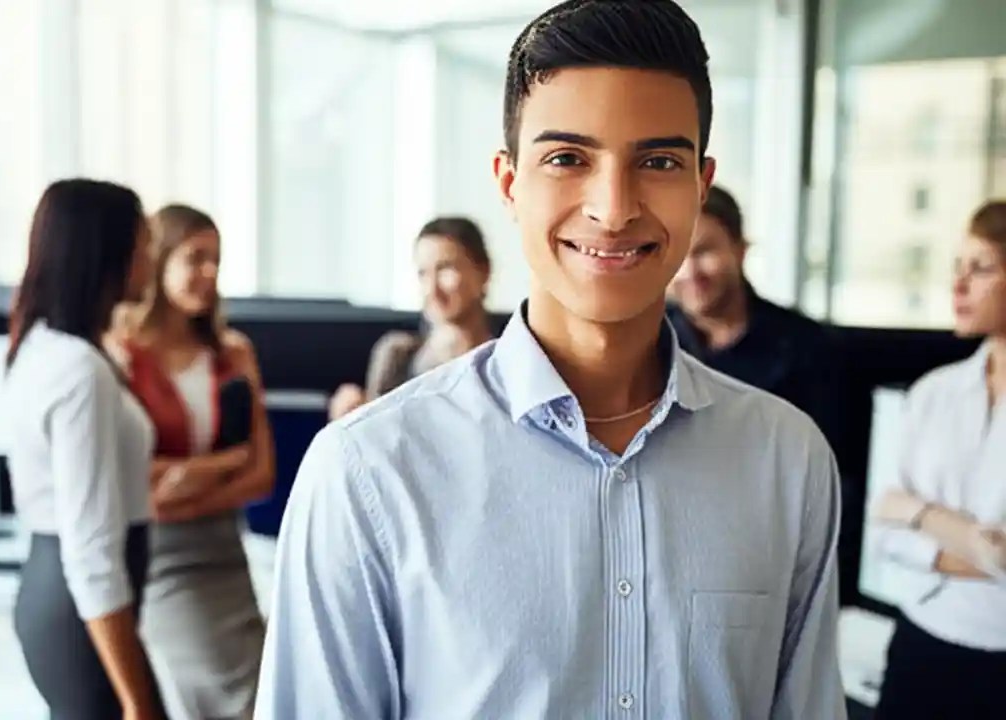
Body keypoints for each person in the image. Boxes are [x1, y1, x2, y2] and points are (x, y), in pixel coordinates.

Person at [255, 1, 847, 718]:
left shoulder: (786, 458)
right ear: (509, 183)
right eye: (568, 158)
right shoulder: (370, 470)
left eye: (658, 162)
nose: (614, 207)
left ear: (700, 184)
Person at [4, 179, 165, 720]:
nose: (151, 259)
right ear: (107, 252)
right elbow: (92, 550)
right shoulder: (78, 370)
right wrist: (136, 698)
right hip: (82, 610)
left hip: (71, 604)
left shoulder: (48, 346)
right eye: (143, 245)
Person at [108, 204, 272, 720]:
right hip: (163, 564)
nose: (209, 274)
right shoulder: (121, 354)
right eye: (195, 258)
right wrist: (221, 464)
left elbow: (261, 471)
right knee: (208, 698)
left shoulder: (233, 353)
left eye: (216, 261)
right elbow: (127, 476)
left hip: (227, 552)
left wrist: (186, 484)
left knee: (262, 697)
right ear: (158, 261)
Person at [665, 186, 860, 603]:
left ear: (740, 248)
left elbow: (835, 482)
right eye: (675, 255)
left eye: (704, 252)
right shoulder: (649, 341)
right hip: (667, 558)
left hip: (769, 565)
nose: (688, 272)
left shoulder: (810, 348)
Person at [870, 199, 1006, 719]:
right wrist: (979, 544)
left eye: (981, 268)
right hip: (921, 645)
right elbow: (882, 531)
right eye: (957, 268)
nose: (959, 285)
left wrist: (919, 514)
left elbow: (897, 514)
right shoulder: (934, 393)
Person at [328, 217, 494, 419]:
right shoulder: (398, 356)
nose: (432, 289)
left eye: (445, 269)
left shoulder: (509, 358)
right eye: (423, 274)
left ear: (483, 272)